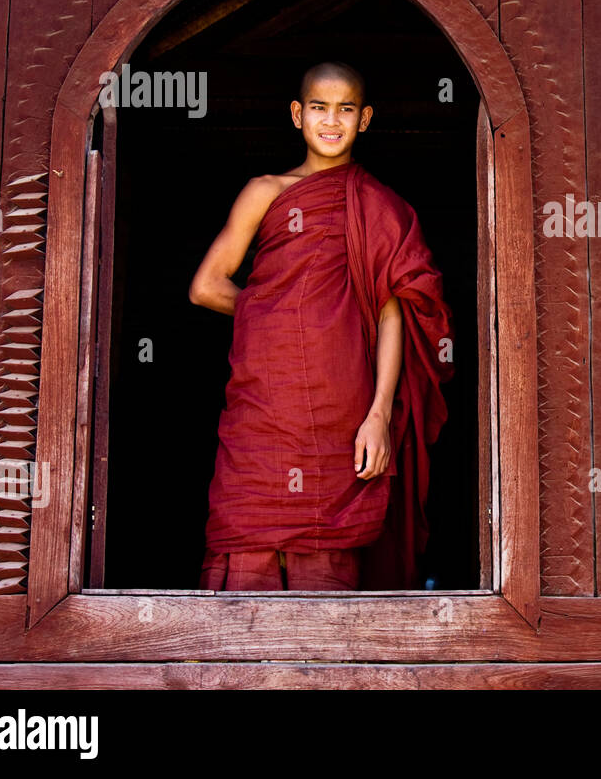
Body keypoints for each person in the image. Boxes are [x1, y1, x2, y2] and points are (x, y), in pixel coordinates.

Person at [188, 61, 453, 591]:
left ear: (366, 119)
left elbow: (392, 312)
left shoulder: (381, 207)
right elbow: (206, 285)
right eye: (318, 107)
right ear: (296, 114)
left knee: (330, 556)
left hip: (345, 408)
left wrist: (379, 415)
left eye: (346, 109)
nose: (331, 121)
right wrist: (278, 316)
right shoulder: (265, 191)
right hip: (265, 401)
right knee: (248, 522)